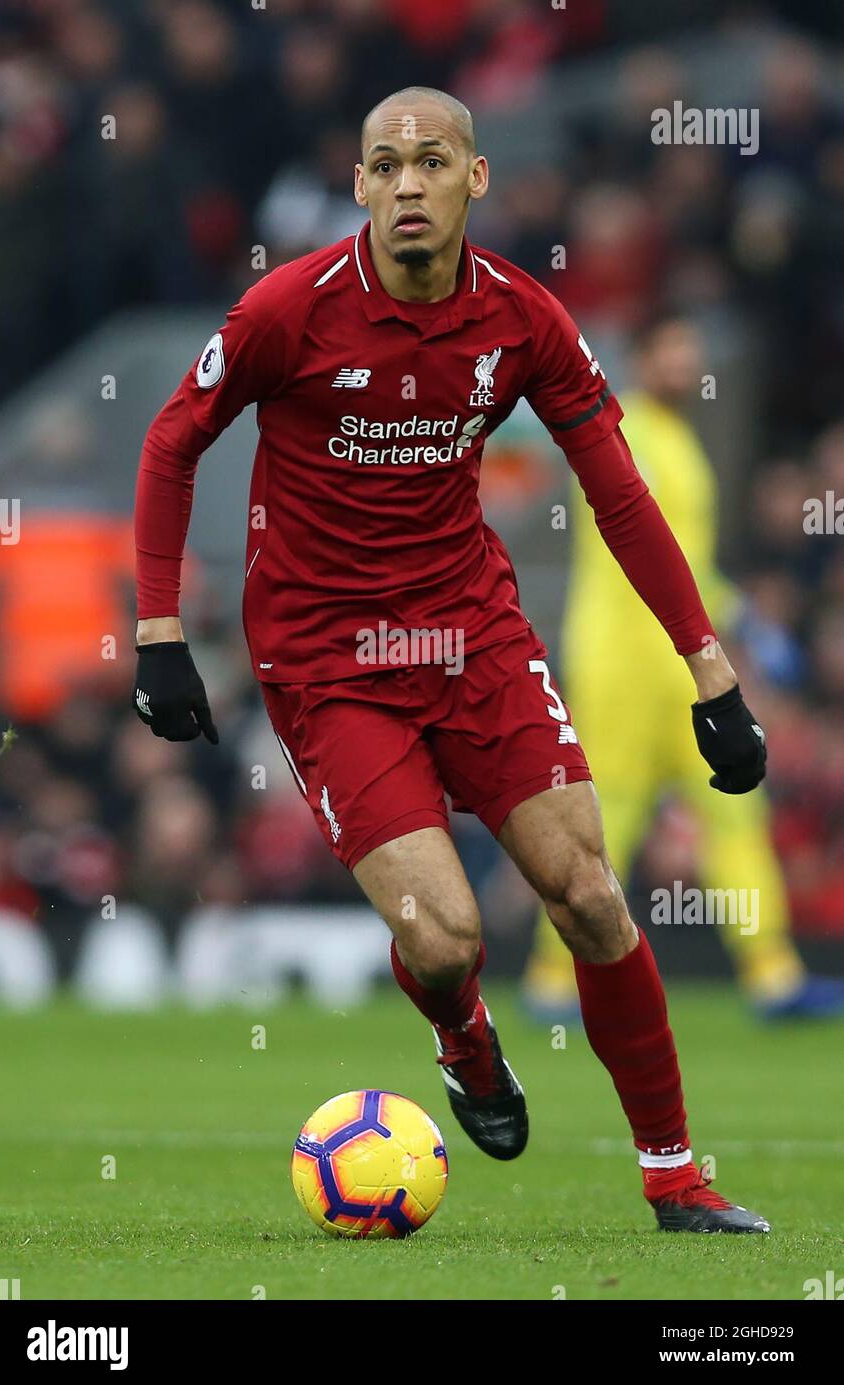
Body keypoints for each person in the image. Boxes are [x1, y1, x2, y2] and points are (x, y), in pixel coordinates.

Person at [132, 87, 769, 1233]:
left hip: (470, 636)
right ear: (362, 186)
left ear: (475, 180)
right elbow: (173, 438)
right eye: (386, 165)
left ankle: (676, 1178)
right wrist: (160, 630)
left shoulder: (523, 320)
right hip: (330, 660)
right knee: (444, 936)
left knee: (587, 892)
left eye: (433, 162)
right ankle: (465, 1039)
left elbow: (617, 491)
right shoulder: (293, 308)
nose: (409, 183)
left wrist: (708, 666)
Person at [522, 316, 844, 1022]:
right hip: (621, 667)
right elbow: (654, 550)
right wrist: (742, 616)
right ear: (640, 357)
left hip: (678, 672)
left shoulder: (676, 440)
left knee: (732, 810)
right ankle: (552, 981)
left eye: (690, 352)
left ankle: (772, 975)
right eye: (670, 351)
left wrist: (735, 621)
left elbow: (683, 563)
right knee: (601, 825)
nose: (684, 364)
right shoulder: (624, 433)